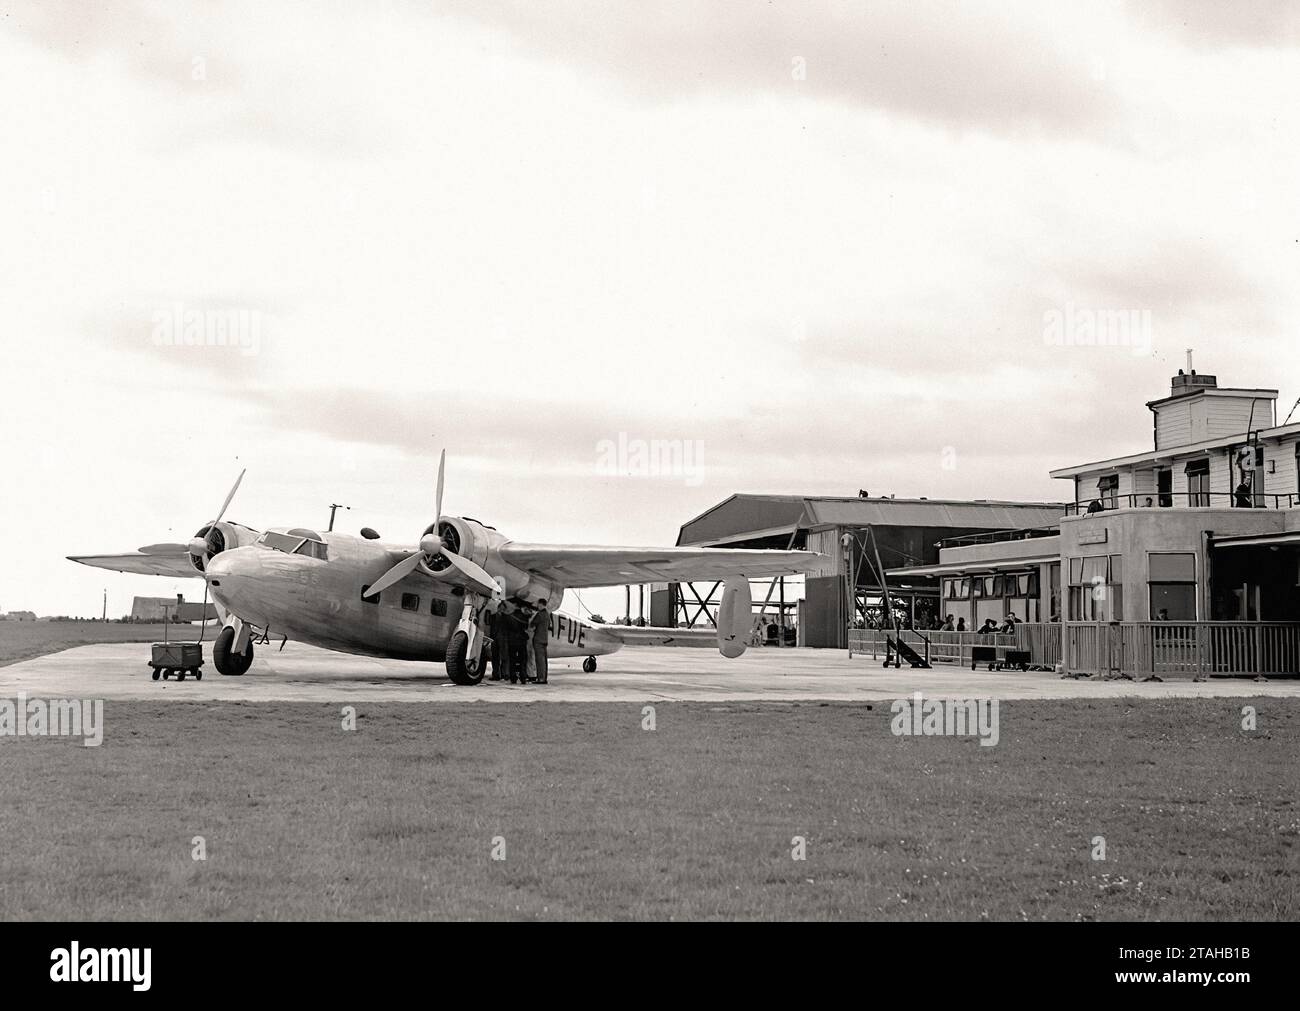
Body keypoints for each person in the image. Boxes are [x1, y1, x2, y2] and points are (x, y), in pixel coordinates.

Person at [528, 597, 551, 685]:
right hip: (544, 639)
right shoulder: (547, 614)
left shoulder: (540, 614)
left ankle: (541, 679)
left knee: (539, 660)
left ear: (541, 604)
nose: (537, 606)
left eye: (538, 604)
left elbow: (532, 624)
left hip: (538, 639)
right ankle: (543, 677)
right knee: (544, 660)